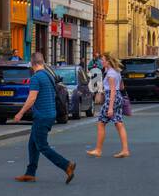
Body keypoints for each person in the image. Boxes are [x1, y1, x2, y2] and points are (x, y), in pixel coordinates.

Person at [12, 52, 75, 184]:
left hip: (42, 116)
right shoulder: (48, 75)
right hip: (50, 114)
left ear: (32, 64)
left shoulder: (36, 77)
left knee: (42, 146)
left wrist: (20, 113)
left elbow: (32, 98)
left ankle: (66, 165)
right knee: (32, 144)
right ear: (43, 61)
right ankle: (30, 173)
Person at [88, 51, 130, 159]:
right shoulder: (116, 72)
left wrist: (110, 107)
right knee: (119, 124)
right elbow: (121, 87)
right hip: (118, 98)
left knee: (101, 123)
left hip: (111, 99)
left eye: (103, 60)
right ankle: (125, 150)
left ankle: (98, 150)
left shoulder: (110, 74)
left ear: (108, 61)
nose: (101, 62)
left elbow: (112, 91)